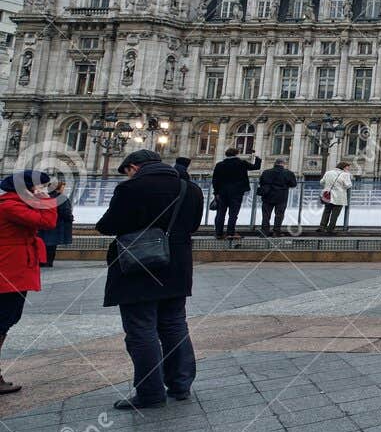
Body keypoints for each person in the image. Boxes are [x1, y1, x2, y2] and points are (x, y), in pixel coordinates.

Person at [97, 150, 203, 410]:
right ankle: (180, 385)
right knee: (174, 324)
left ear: (133, 167)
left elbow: (109, 225)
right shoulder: (189, 188)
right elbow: (193, 225)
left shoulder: (130, 189)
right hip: (177, 266)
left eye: (127, 172)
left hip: (139, 265)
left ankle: (150, 393)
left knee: (141, 329)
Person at [0, 171, 58, 394]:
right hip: (9, 270)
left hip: (15, 267)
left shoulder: (12, 203)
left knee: (7, 318)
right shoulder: (10, 206)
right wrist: (45, 198)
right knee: (4, 319)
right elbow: (47, 220)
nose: (42, 190)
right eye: (40, 186)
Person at [209, 146, 260, 245]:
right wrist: (256, 156)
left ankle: (218, 233)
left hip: (222, 193)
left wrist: (216, 193)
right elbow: (256, 167)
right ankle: (230, 233)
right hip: (236, 193)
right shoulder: (241, 163)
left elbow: (215, 180)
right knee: (233, 214)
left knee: (220, 213)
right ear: (236, 154)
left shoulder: (220, 165)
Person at [257, 159, 297, 238]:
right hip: (281, 196)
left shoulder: (266, 172)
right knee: (279, 215)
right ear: (283, 164)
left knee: (266, 215)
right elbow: (293, 184)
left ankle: (264, 232)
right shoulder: (288, 173)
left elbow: (261, 182)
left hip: (267, 196)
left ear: (275, 164)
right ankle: (276, 232)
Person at [43, 173, 72, 267]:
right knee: (51, 245)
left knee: (44, 243)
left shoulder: (44, 197)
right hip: (57, 224)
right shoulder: (61, 198)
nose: (64, 189)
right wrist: (70, 218)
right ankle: (48, 261)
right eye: (63, 187)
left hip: (44, 224)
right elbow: (65, 212)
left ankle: (42, 260)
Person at [318, 160, 354, 232]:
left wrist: (328, 186)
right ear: (343, 167)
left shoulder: (328, 173)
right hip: (338, 197)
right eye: (347, 168)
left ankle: (322, 227)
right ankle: (330, 228)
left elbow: (321, 182)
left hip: (328, 195)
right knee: (335, 213)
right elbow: (348, 185)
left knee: (326, 211)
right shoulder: (345, 174)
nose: (348, 169)